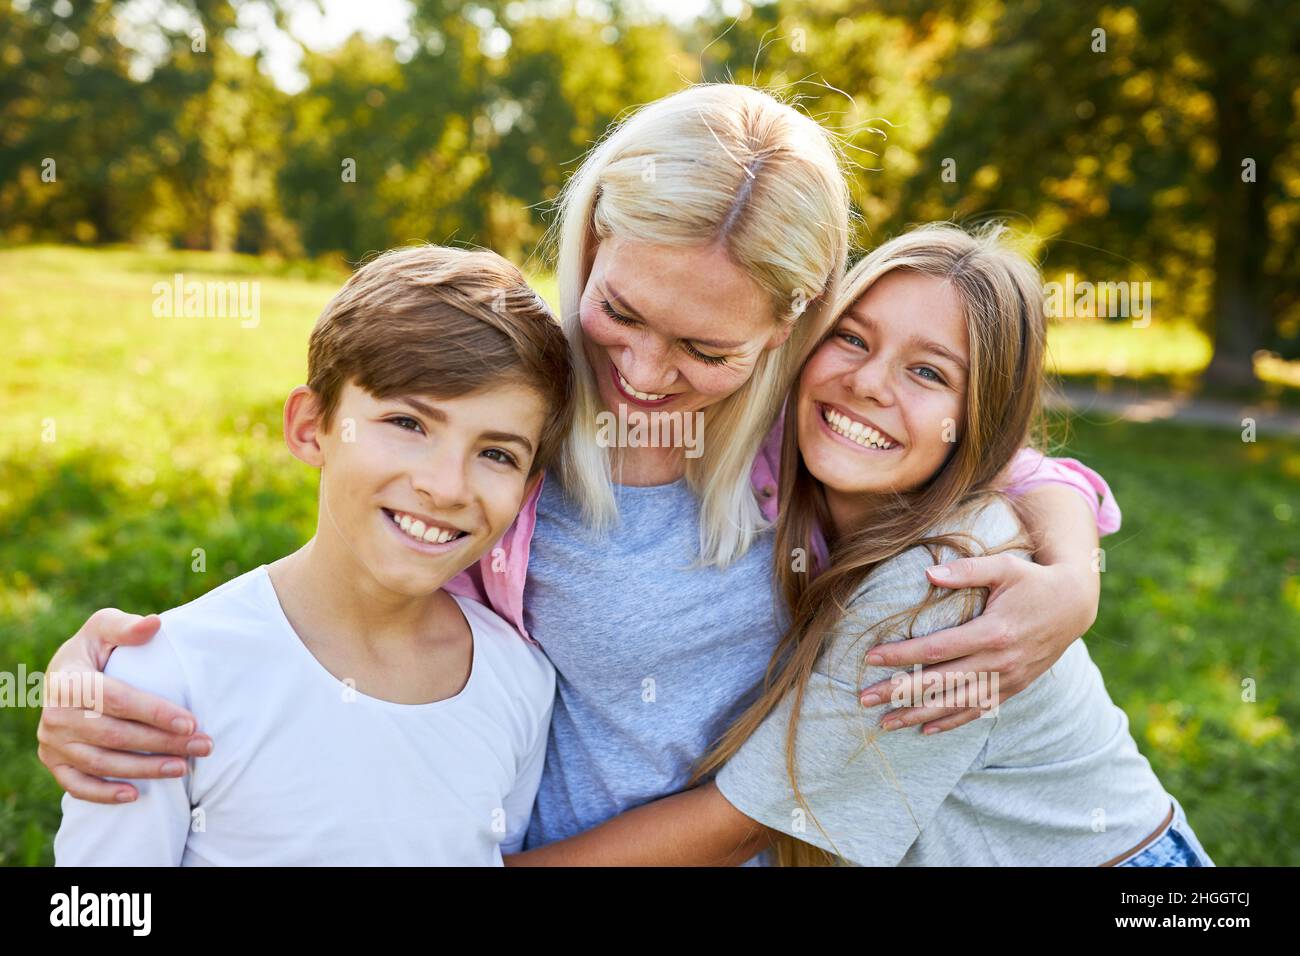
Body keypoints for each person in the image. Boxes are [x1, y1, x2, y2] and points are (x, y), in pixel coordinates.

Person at [40, 86, 1118, 861]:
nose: (645, 373)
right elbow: (364, 551)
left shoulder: (811, 425)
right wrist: (138, 662)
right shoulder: (521, 401)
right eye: (623, 312)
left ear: (796, 324)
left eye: (706, 351)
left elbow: (1008, 460)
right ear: (593, 239)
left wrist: (1072, 574)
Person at [506, 224, 1212, 867]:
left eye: (929, 372)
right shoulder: (781, 439)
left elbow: (748, 818)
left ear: (978, 422)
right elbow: (1039, 471)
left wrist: (1071, 579)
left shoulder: (950, 580)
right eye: (852, 338)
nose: (867, 383)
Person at [54, 246, 570, 865]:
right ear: (310, 427)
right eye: (408, 423)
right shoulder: (167, 682)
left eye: (497, 454)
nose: (447, 486)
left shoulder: (519, 679)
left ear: (528, 487)